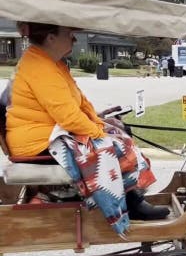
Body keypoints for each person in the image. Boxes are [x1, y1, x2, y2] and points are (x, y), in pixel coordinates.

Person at [6, 22, 169, 231]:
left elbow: (81, 104)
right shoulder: (39, 66)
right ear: (50, 37)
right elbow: (69, 117)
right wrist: (99, 134)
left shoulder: (50, 62)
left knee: (118, 133)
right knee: (114, 146)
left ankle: (132, 200)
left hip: (46, 135)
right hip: (37, 143)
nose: (74, 39)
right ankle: (125, 206)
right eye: (69, 33)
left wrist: (101, 125)